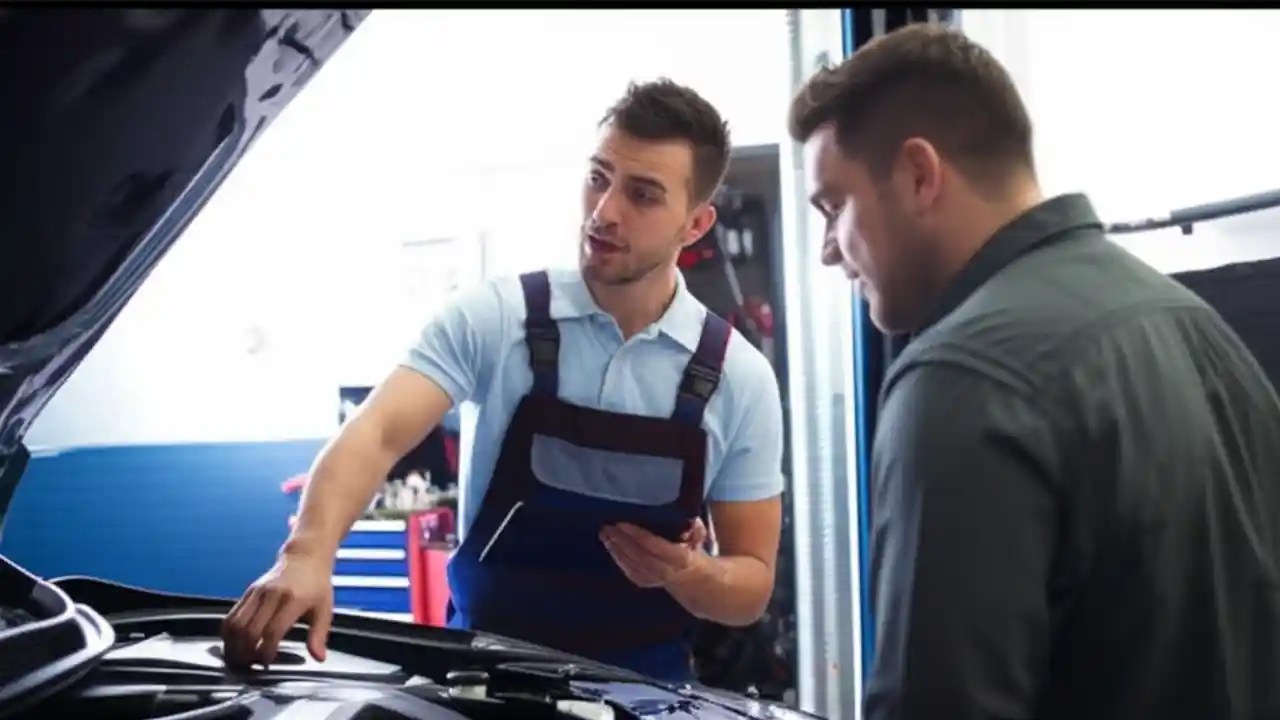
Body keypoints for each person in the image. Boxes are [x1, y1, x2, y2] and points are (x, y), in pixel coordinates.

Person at [789, 22, 1280, 720]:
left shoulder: (961, 377)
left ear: (920, 175)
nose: (828, 253)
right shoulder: (1197, 325)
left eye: (834, 207)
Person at [221, 79, 785, 683]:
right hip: (480, 678)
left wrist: (689, 574)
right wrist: (306, 554)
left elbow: (750, 583)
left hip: (643, 690)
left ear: (695, 224)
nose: (604, 211)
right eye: (598, 177)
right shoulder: (496, 319)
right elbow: (378, 432)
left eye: (642, 195)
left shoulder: (736, 378)